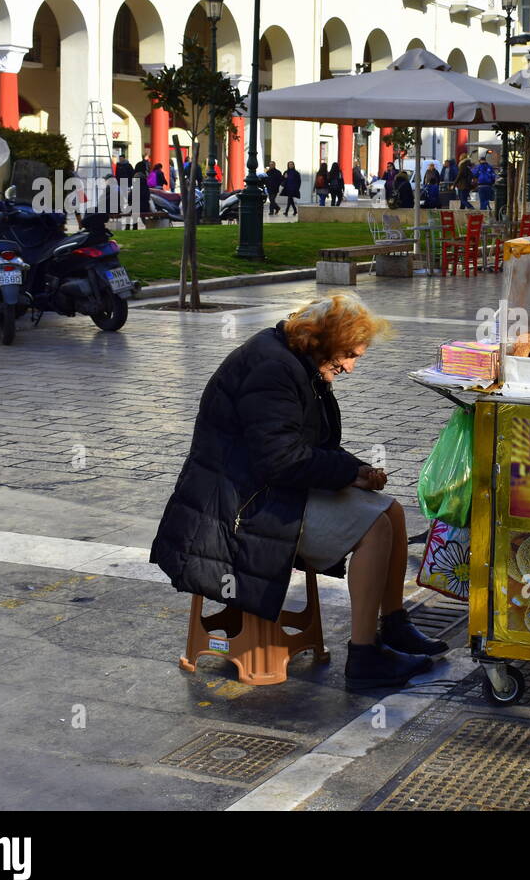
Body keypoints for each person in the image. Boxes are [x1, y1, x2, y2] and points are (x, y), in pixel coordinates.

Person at [149, 295, 447, 689]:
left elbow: (304, 445)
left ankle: (393, 623)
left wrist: (355, 470)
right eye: (349, 355)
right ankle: (364, 657)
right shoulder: (273, 369)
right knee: (375, 526)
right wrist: (347, 471)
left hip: (262, 489)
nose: (351, 367)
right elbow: (280, 461)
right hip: (237, 508)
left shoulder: (297, 361)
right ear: (322, 343)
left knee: (390, 511)